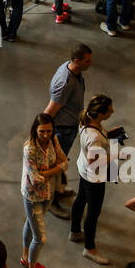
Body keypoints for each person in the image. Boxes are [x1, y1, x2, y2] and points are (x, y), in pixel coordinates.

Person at [41, 43, 92, 213]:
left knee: (60, 162)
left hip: (69, 126)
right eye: (86, 61)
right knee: (54, 165)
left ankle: (58, 190)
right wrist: (41, 135)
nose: (89, 64)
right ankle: (49, 200)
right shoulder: (65, 82)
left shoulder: (72, 69)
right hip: (62, 130)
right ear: (76, 60)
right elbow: (50, 111)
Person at [20, 113, 65, 268]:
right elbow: (35, 178)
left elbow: (64, 160)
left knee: (30, 225)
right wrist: (55, 170)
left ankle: (25, 257)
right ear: (35, 130)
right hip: (33, 196)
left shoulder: (54, 140)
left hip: (48, 194)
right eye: (41, 131)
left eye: (49, 131)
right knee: (40, 238)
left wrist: (47, 171)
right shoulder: (30, 149)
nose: (45, 135)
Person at [71, 94, 115, 264]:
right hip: (94, 178)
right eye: (109, 111)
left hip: (83, 172)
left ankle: (75, 231)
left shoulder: (87, 121)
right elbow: (94, 162)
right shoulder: (95, 137)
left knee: (80, 199)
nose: (112, 112)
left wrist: (109, 134)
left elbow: (93, 142)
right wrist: (117, 156)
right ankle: (89, 248)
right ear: (101, 113)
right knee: (93, 213)